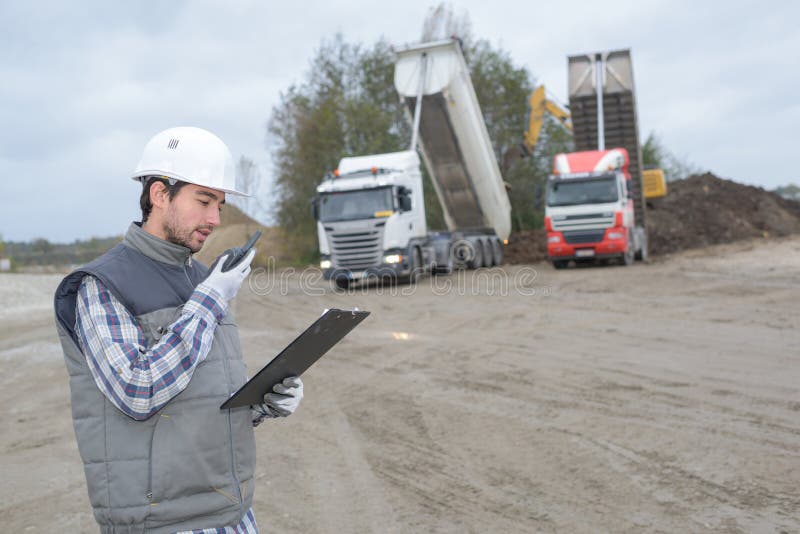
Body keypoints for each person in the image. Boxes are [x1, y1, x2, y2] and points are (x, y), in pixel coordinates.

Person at [54, 126, 302, 533]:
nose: (215, 219)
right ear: (159, 194)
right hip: (164, 523)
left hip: (229, 513)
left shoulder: (206, 280)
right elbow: (139, 391)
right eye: (204, 200)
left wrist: (263, 404)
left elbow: (201, 398)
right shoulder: (100, 285)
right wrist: (209, 301)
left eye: (219, 204)